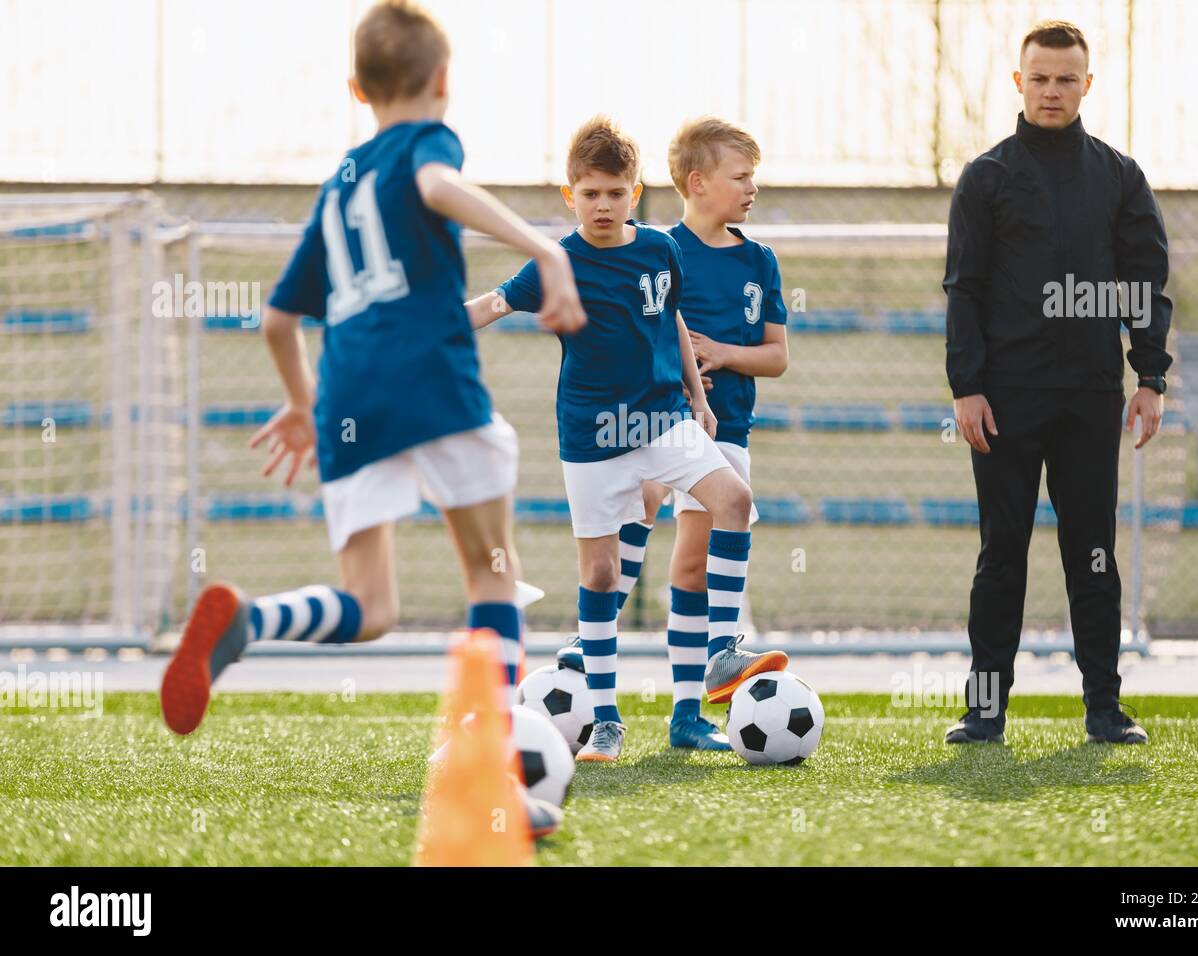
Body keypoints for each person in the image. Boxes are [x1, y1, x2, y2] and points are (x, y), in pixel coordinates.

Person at [159, 0, 585, 835]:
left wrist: (302, 403)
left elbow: (278, 320)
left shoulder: (336, 186)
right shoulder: (428, 143)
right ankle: (492, 785)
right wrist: (546, 248)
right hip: (430, 378)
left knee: (370, 606)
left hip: (349, 397)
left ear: (356, 88)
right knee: (493, 575)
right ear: (442, 81)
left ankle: (251, 619)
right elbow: (435, 185)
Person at [467, 116, 787, 763]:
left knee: (733, 500)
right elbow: (492, 306)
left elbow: (671, 317)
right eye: (591, 194)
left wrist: (697, 399)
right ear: (570, 197)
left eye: (616, 192)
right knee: (602, 571)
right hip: (591, 437)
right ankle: (607, 719)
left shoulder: (659, 251)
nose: (604, 205)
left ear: (634, 193)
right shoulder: (554, 262)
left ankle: (724, 648)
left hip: (665, 419)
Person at [942, 20, 1172, 745]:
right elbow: (964, 288)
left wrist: (1151, 375)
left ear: (1086, 84)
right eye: (1039, 77)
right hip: (1005, 399)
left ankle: (1105, 707)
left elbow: (1145, 280)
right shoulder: (987, 176)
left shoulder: (1118, 175)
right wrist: (967, 386)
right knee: (1000, 553)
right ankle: (985, 710)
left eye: (1065, 79)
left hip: (1090, 394)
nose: (1051, 90)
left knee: (1092, 553)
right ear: (1018, 81)